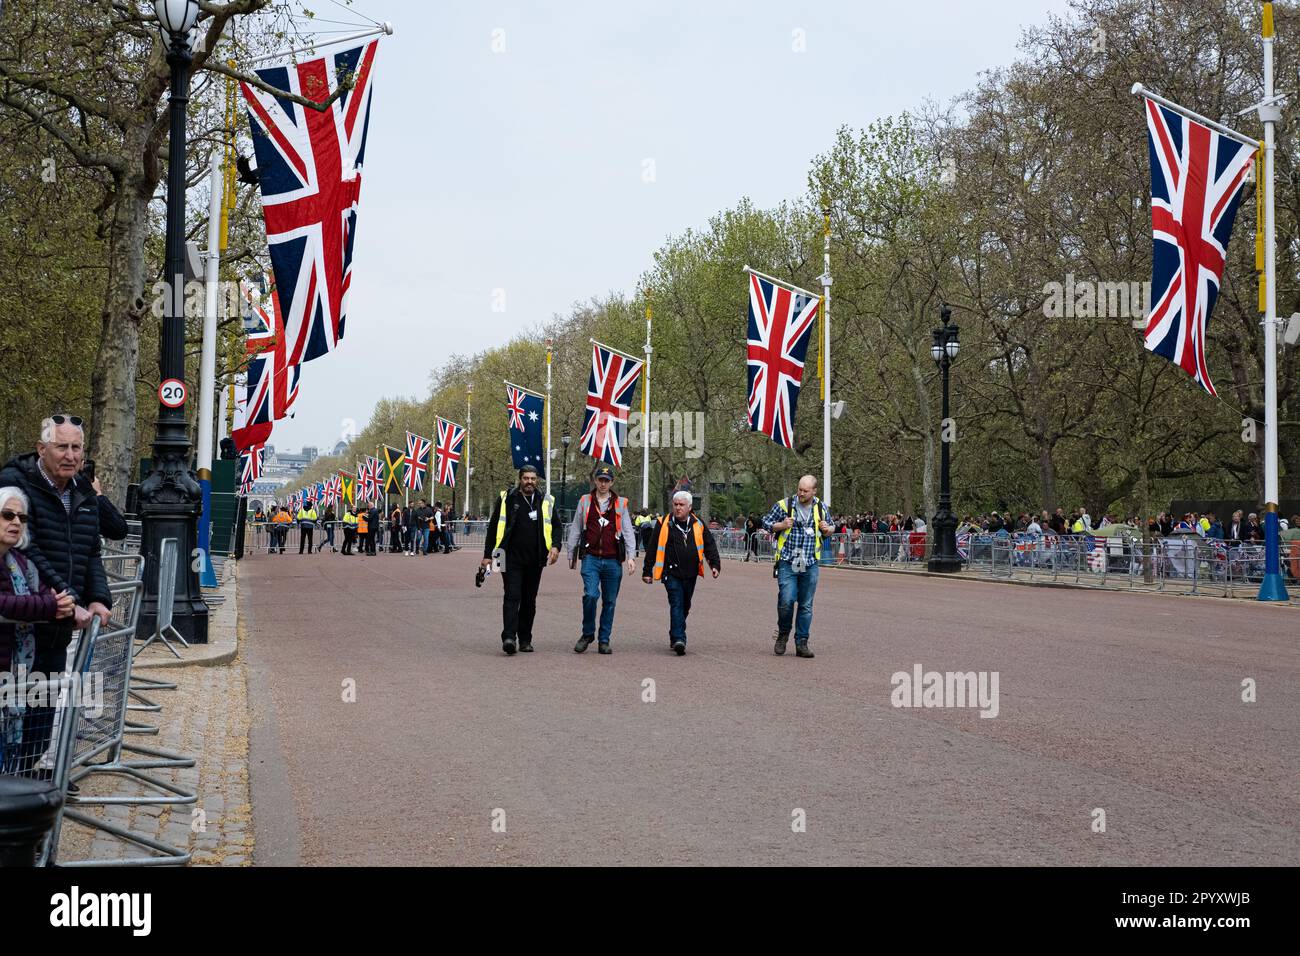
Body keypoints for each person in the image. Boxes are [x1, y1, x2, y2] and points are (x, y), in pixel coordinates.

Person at [0, 417, 112, 775]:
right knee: (13, 707)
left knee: (43, 706)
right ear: (41, 449)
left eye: (76, 447)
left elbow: (91, 550)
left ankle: (34, 780)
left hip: (61, 621)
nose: (70, 455)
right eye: (62, 447)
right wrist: (63, 599)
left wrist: (99, 598)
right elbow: (27, 549)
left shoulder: (82, 491)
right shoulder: (16, 486)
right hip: (27, 619)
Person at [0, 486, 79, 773]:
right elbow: (4, 604)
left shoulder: (21, 560)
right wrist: (48, 606)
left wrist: (61, 602)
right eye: (7, 515)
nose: (16, 522)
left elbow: (45, 591)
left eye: (22, 517)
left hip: (17, 669)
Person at [481, 464, 561, 655]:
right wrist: (486, 556)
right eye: (526, 478)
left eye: (533, 479)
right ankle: (509, 637)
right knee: (511, 596)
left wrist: (556, 546)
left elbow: (557, 526)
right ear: (520, 479)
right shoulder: (507, 498)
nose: (529, 482)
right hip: (506, 556)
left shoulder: (546, 500)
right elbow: (493, 527)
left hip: (536, 558)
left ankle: (525, 639)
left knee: (529, 600)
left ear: (537, 481)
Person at [564, 463, 637, 655]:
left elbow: (628, 531)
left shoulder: (620, 503)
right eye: (600, 480)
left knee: (610, 602)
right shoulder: (585, 501)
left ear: (612, 482)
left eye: (607, 481)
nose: (603, 484)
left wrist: (631, 556)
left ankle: (604, 639)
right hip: (591, 558)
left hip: (613, 560)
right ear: (595, 481)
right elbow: (576, 527)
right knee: (590, 595)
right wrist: (571, 552)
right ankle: (588, 633)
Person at [761, 475, 833, 659]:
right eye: (799, 489)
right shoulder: (784, 505)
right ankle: (783, 633)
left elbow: (832, 527)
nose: (801, 493)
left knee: (806, 605)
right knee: (786, 600)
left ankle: (802, 642)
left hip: (810, 562)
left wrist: (827, 528)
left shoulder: (821, 507)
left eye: (805, 491)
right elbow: (766, 523)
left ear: (814, 491)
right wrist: (781, 525)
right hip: (787, 561)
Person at [641, 490, 720, 655]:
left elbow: (709, 544)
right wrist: (647, 570)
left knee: (685, 605)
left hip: (691, 573)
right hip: (671, 573)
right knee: (676, 603)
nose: (678, 508)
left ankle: (674, 632)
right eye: (675, 504)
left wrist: (714, 565)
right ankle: (679, 639)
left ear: (689, 507)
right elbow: (652, 548)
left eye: (681, 505)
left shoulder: (698, 524)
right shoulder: (663, 523)